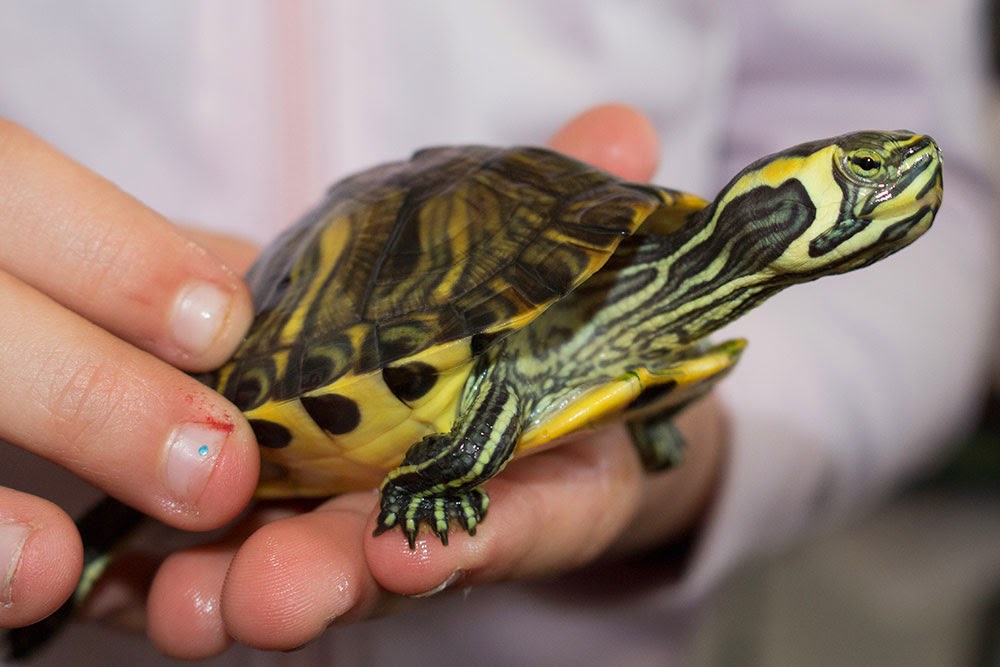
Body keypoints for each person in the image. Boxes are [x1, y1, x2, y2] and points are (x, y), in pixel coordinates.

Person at [0, 2, 996, 665]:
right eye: (863, 173)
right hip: (264, 341)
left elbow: (953, 189)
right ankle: (90, 552)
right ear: (771, 199)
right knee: (183, 462)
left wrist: (707, 469)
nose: (895, 176)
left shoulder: (678, 332)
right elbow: (500, 369)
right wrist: (451, 466)